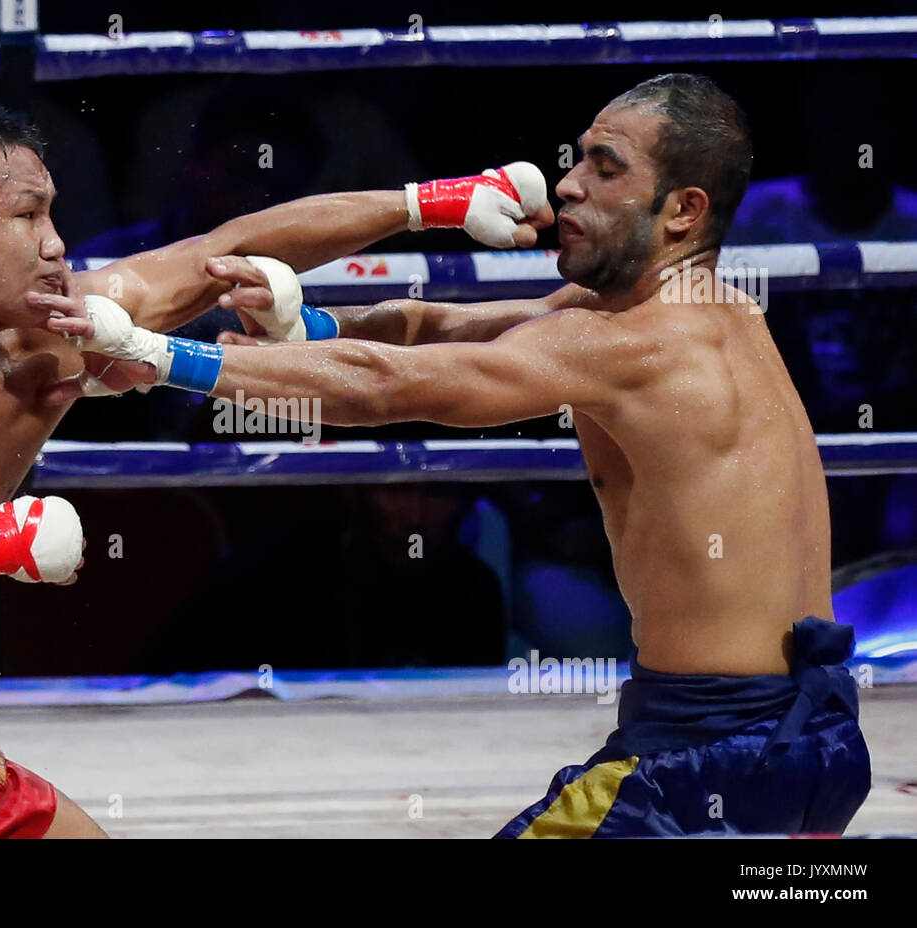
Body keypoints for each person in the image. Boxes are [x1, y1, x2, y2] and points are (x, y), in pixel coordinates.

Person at [0, 103, 544, 837]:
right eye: (26, 214)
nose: (55, 243)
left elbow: (229, 245)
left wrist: (431, 200)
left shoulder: (52, 336)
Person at [65, 74, 872, 837]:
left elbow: (389, 389)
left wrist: (159, 357)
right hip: (817, 740)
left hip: (706, 754)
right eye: (578, 158)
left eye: (604, 168)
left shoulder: (631, 347)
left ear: (682, 210)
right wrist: (306, 325)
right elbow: (443, 329)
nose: (567, 186)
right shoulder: (708, 313)